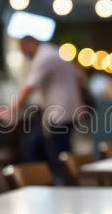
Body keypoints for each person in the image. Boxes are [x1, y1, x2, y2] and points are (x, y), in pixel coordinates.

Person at [6, 35, 84, 182]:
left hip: (59, 113)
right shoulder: (55, 52)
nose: (24, 53)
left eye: (23, 50)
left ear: (30, 44)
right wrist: (81, 104)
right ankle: (64, 185)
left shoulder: (44, 57)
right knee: (63, 153)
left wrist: (12, 109)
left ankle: (54, 186)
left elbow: (29, 87)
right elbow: (79, 79)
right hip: (69, 111)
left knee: (56, 154)